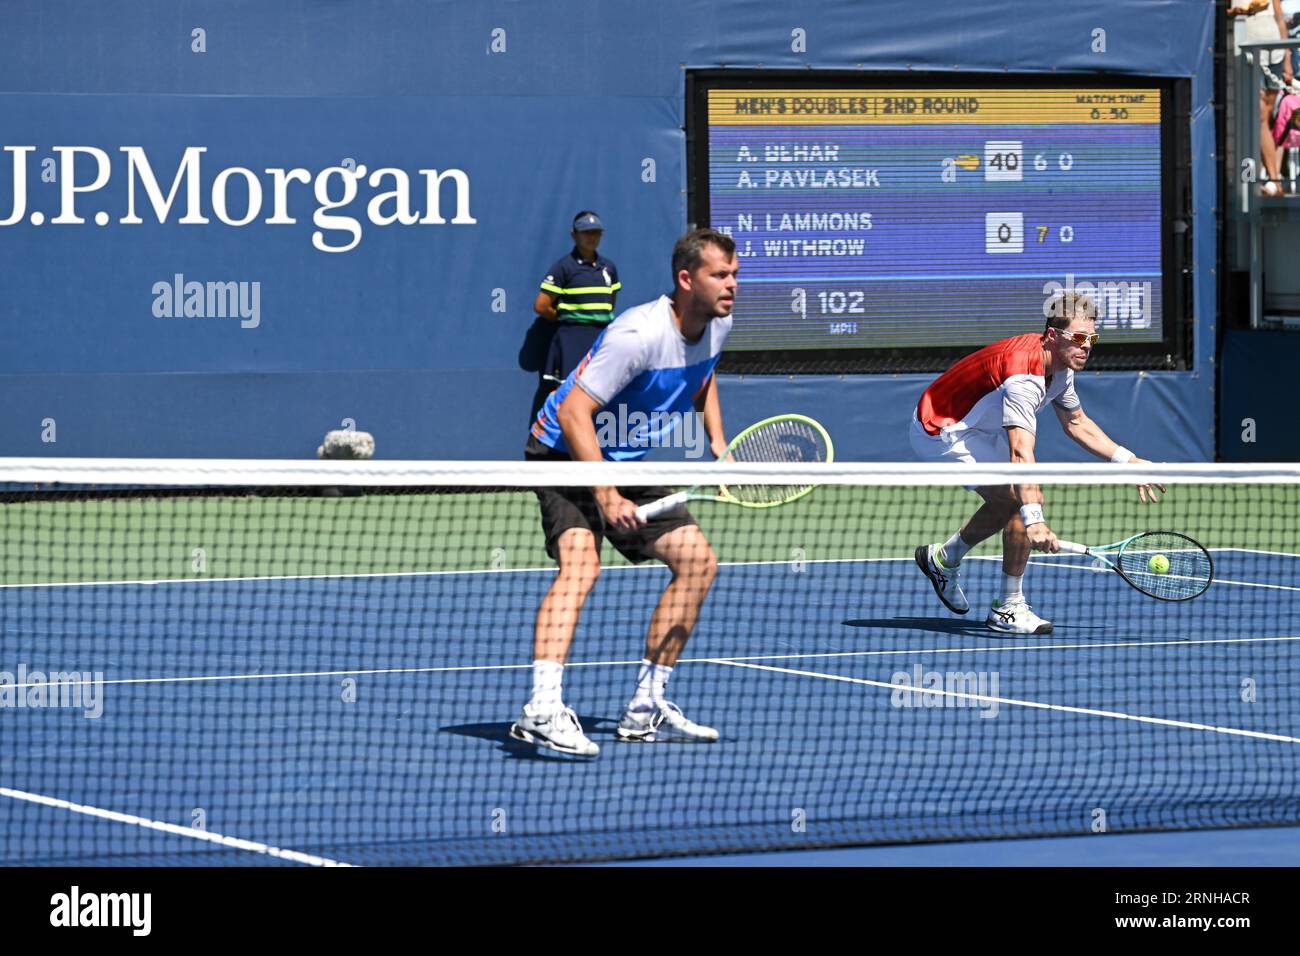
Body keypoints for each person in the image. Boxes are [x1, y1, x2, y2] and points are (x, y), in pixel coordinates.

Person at [509, 228, 738, 757]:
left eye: (734, 275)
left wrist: (717, 443)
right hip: (564, 452)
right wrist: (607, 495)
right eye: (719, 275)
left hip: (625, 454)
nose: (731, 286)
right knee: (582, 565)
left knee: (699, 562)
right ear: (686, 279)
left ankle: (644, 706)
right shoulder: (636, 334)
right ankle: (542, 708)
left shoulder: (718, 324)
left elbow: (703, 376)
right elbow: (572, 413)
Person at [909, 292, 1163, 635]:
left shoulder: (1061, 367)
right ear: (1053, 335)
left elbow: (1075, 423)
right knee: (1019, 500)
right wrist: (1035, 520)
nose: (1086, 346)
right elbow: (1020, 454)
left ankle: (943, 559)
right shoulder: (1024, 376)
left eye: (1092, 339)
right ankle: (1008, 608)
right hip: (942, 427)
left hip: (979, 426)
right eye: (1078, 338)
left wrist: (1127, 459)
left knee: (1015, 499)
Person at [534, 211, 621, 386]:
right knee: (569, 391)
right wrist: (569, 317)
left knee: (603, 390)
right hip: (572, 338)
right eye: (586, 232)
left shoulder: (609, 267)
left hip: (603, 337)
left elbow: (610, 303)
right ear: (574, 235)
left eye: (595, 232)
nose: (592, 237)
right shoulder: (563, 267)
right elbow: (541, 306)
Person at [1230, 0, 1295, 195]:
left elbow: (1279, 18)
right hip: (1249, 51)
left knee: (1268, 119)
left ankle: (1270, 179)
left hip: (1273, 52)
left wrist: (1287, 59)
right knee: (1258, 117)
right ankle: (1270, 179)